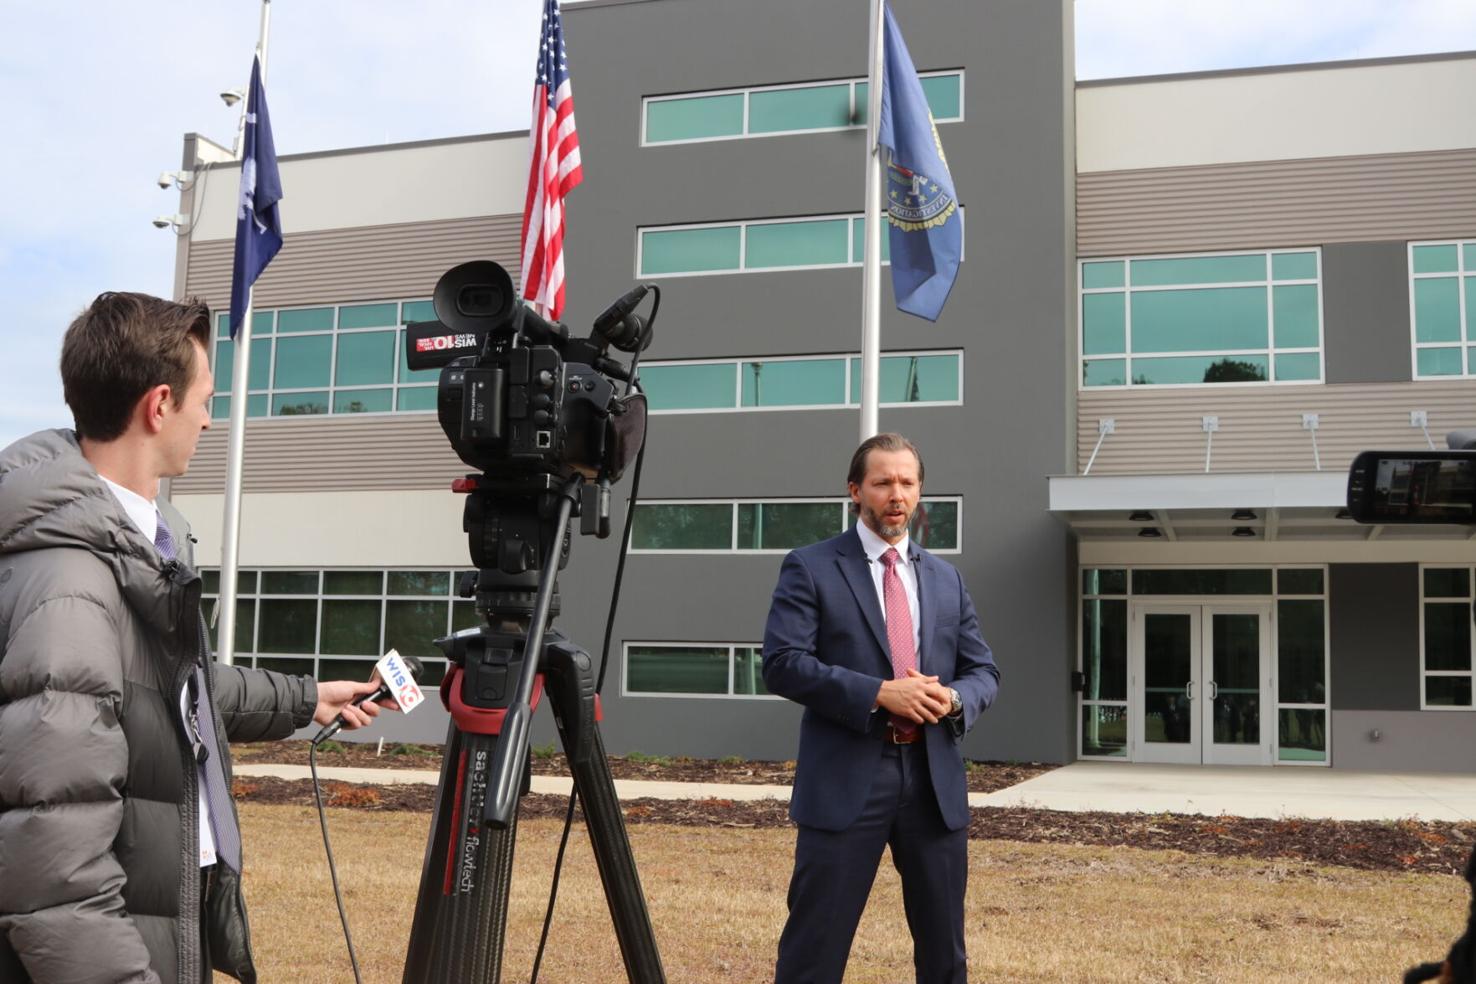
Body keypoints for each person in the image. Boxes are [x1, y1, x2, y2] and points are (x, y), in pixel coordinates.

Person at [0, 292, 393, 984]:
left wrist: (309, 698)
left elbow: (173, 691)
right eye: (205, 398)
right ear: (158, 406)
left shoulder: (140, 543)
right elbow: (55, 876)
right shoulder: (73, 592)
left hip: (164, 926)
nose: (211, 418)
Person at [762, 432, 1000, 984]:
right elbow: (782, 662)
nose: (897, 493)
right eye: (883, 481)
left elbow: (984, 671)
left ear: (919, 492)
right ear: (855, 491)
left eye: (907, 482)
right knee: (813, 955)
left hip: (933, 782)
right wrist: (876, 692)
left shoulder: (945, 578)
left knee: (945, 958)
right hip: (847, 782)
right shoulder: (811, 567)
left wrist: (956, 698)